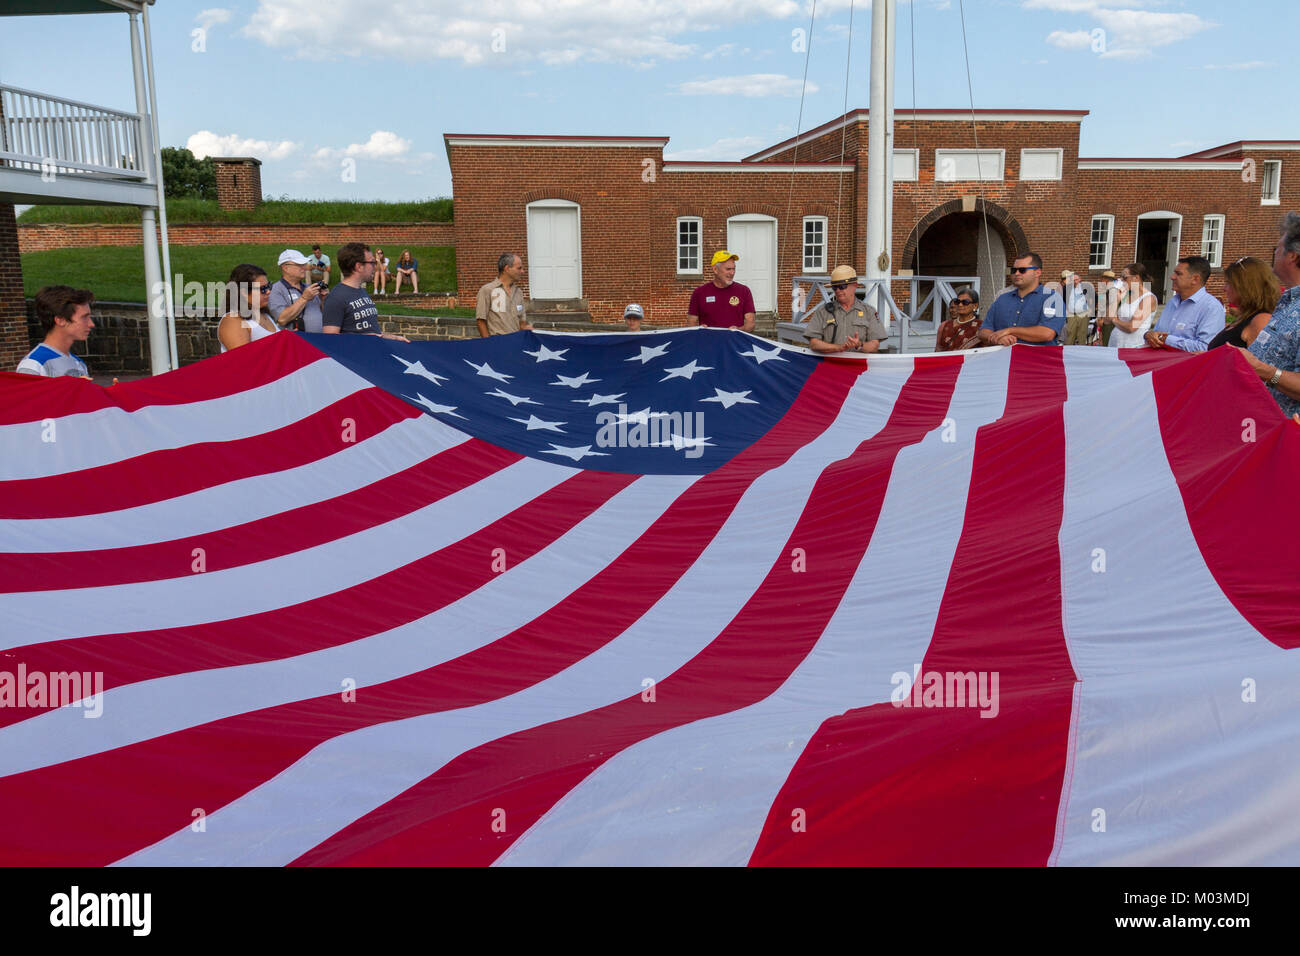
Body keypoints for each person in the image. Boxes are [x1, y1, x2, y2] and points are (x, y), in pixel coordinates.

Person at [1235, 212, 1300, 420]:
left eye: (1278, 248)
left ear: (1292, 256)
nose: (1274, 253)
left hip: (1284, 438)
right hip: (1258, 427)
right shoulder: (1288, 302)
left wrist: (1260, 369)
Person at [321, 241, 410, 340]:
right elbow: (330, 340)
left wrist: (394, 338)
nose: (375, 267)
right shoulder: (336, 298)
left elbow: (372, 332)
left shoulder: (361, 291)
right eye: (372, 263)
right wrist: (364, 339)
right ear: (359, 266)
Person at [976, 252, 1065, 346]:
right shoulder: (1002, 299)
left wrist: (1009, 331)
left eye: (1022, 270)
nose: (1017, 273)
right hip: (1004, 359)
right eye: (1014, 270)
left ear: (1037, 272)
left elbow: (1047, 333)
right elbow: (983, 331)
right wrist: (998, 338)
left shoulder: (1054, 299)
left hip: (1037, 359)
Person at [1143, 256, 1225, 351]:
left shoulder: (1211, 308)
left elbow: (1206, 348)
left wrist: (1166, 339)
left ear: (1195, 279)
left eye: (1178, 274)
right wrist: (1148, 335)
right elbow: (1157, 333)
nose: (1172, 277)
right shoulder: (1173, 302)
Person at [804, 265, 888, 354]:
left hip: (857, 366)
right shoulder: (823, 311)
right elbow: (813, 343)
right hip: (830, 365)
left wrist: (859, 345)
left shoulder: (869, 311)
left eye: (842, 286)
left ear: (855, 286)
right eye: (835, 287)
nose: (838, 290)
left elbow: (874, 345)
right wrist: (838, 348)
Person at [16, 285, 95, 377]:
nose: (91, 324)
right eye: (84, 317)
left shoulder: (79, 363)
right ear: (61, 320)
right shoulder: (34, 365)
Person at [1207, 256, 1279, 350]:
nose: (1224, 289)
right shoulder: (1245, 317)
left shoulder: (1260, 321)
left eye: (1229, 283)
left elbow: (1256, 362)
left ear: (1245, 287)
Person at [688, 250, 756, 332]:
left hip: (735, 343)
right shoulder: (699, 292)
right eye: (728, 269)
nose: (732, 272)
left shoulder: (744, 291)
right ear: (715, 269)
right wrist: (699, 330)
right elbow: (691, 322)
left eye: (734, 269)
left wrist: (739, 330)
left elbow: (750, 323)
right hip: (709, 343)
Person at [217, 264, 279, 352]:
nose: (268, 291)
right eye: (263, 289)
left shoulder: (263, 314)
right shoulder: (233, 320)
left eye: (269, 286)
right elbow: (244, 361)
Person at [267, 249, 327, 334]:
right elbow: (282, 319)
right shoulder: (275, 290)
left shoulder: (308, 287)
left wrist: (323, 299)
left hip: (317, 341)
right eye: (299, 265)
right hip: (295, 343)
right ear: (285, 268)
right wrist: (304, 298)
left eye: (304, 264)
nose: (304, 267)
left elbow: (323, 313)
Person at [476, 253, 532, 337]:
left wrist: (527, 328)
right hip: (497, 343)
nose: (523, 271)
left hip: (516, 343)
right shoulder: (487, 290)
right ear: (507, 268)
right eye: (519, 268)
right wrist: (488, 344)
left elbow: (522, 322)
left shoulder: (519, 292)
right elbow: (481, 321)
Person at [1108, 263, 1158, 349]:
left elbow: (1131, 327)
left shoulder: (1148, 298)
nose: (1121, 281)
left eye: (1124, 277)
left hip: (1133, 346)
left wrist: (1114, 319)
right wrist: (1116, 299)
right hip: (1115, 344)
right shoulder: (1125, 294)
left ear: (1136, 278)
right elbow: (1106, 319)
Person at [935, 287, 982, 351]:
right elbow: (937, 351)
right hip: (945, 360)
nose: (960, 305)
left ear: (975, 306)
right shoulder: (944, 325)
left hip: (968, 360)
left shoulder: (982, 326)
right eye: (958, 301)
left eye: (965, 302)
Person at [1061, 270, 1091, 345]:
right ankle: (1068, 353)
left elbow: (1095, 298)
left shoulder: (1085, 287)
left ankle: (1081, 353)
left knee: (1082, 335)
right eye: (1073, 280)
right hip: (1071, 315)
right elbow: (1063, 300)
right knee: (1070, 335)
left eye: (1076, 279)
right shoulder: (1066, 288)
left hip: (1083, 315)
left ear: (1080, 279)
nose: (1074, 281)